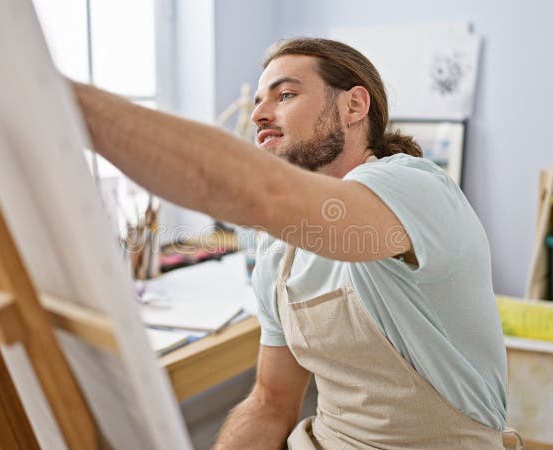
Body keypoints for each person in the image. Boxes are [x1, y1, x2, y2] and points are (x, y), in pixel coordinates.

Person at [73, 37, 509, 449]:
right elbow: (270, 403)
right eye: (259, 101)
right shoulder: (280, 249)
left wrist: (72, 106)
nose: (259, 115)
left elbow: (262, 194)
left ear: (354, 106)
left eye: (284, 95)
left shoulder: (413, 187)